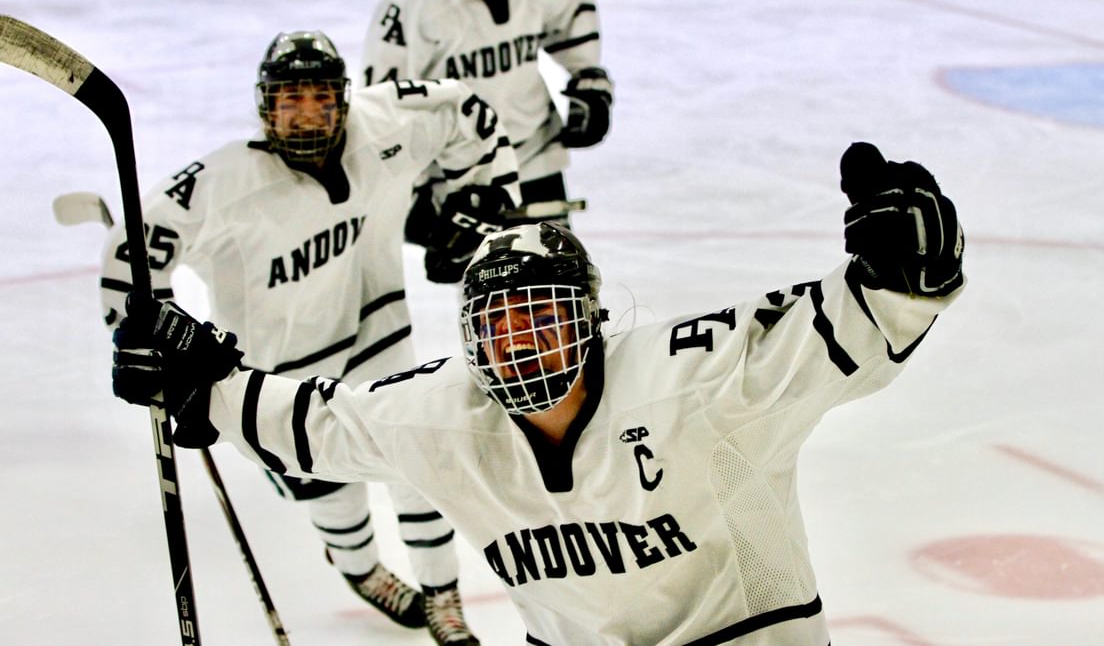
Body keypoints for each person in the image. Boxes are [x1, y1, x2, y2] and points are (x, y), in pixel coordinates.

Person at [110, 142, 965, 644]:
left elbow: (852, 330)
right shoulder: (444, 415)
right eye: (497, 327)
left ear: (589, 319)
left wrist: (907, 269)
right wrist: (203, 377)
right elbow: (315, 424)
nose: (519, 345)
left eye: (542, 317)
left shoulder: (699, 378)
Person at [99, 30, 522, 644]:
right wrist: (145, 341)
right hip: (278, 378)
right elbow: (128, 251)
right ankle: (361, 571)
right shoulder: (222, 183)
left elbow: (463, 108)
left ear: (344, 101)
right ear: (265, 106)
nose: (306, 114)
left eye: (321, 98)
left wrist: (483, 195)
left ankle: (442, 594)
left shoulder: (385, 125)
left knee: (418, 464)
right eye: (289, 99)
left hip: (380, 339)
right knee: (334, 499)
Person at [360, 0, 613, 282]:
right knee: (489, 293)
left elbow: (574, 17)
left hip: (536, 152)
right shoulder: (411, 4)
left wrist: (589, 82)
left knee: (560, 280)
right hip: (464, 172)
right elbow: (387, 104)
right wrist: (414, 192)